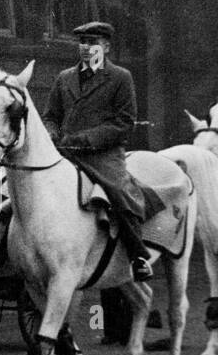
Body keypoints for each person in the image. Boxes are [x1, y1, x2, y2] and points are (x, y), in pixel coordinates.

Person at [42, 20, 153, 281]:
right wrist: (51, 133)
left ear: (106, 47)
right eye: (82, 42)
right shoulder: (65, 77)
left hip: (102, 154)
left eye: (92, 42)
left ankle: (138, 256)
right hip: (65, 151)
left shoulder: (120, 77)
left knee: (120, 192)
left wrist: (86, 139)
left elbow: (124, 122)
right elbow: (51, 116)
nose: (85, 47)